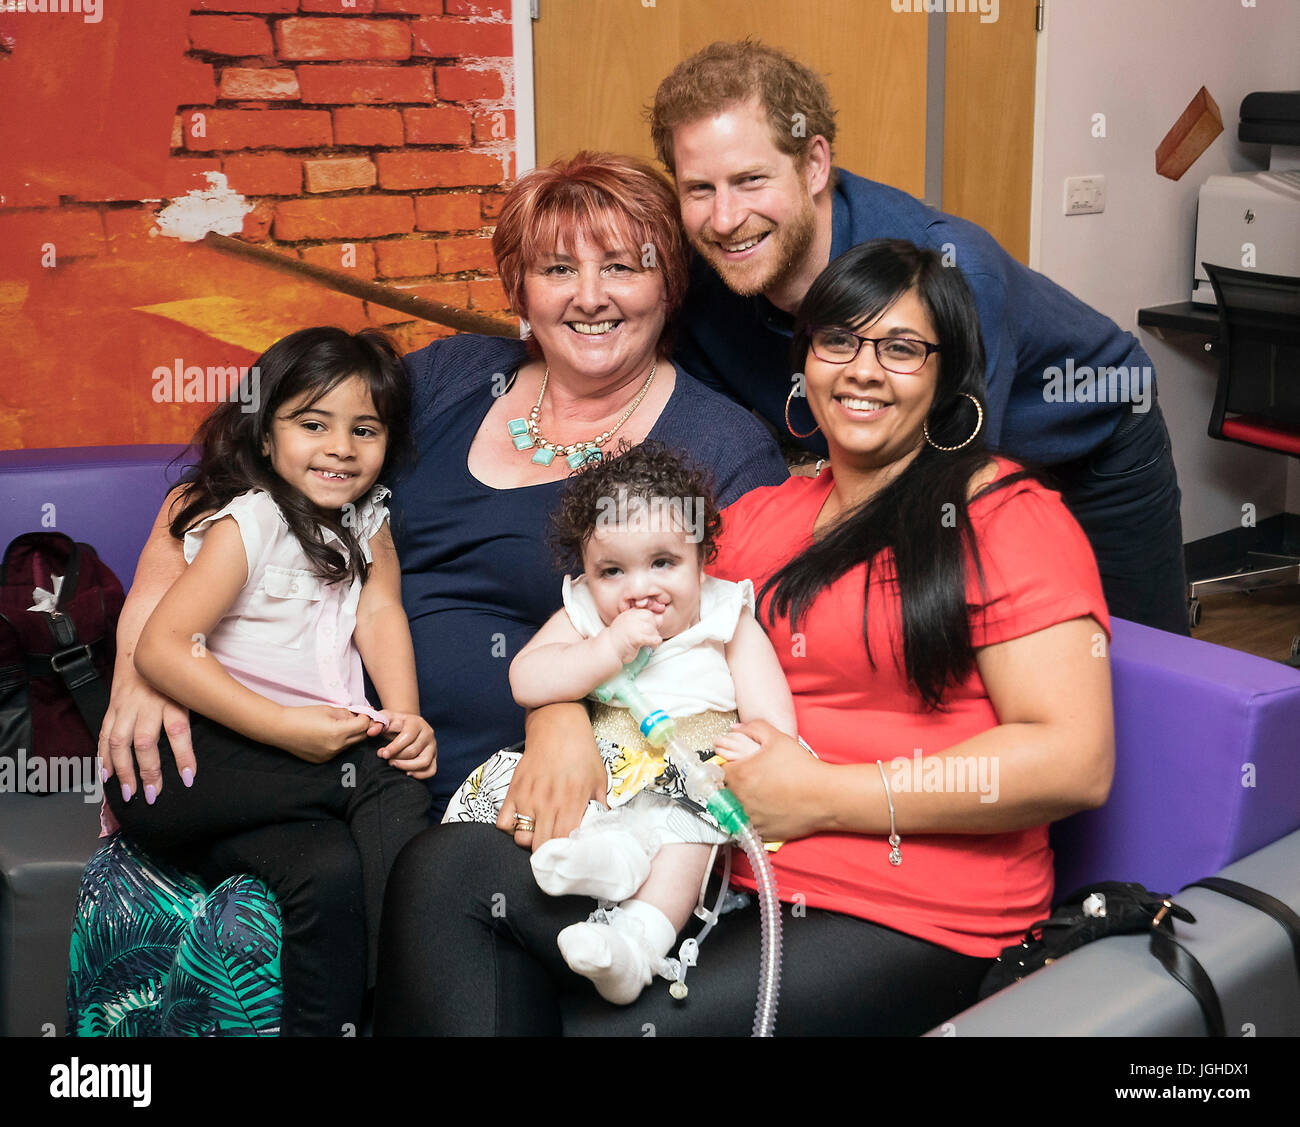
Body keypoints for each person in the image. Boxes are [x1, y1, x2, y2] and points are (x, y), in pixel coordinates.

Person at [94, 153, 788, 1021]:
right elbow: (226, 479)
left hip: (510, 794)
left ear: (670, 282)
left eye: (624, 266)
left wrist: (558, 710)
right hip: (325, 743)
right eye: (558, 269)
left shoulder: (720, 446)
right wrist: (139, 651)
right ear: (517, 288)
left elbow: (708, 651)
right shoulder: (455, 379)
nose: (591, 295)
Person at [373, 238, 1115, 1036]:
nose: (863, 369)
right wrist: (555, 717)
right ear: (807, 366)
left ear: (946, 376)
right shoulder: (762, 519)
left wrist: (823, 796)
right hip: (714, 873)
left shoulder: (1006, 517)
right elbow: (622, 618)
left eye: (901, 348)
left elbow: (1075, 761)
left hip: (904, 907)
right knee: (445, 870)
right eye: (839, 340)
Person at [651, 39, 1189, 636]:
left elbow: (944, 478)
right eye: (699, 189)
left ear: (813, 166)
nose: (724, 220)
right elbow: (709, 432)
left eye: (751, 180)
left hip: (1092, 445)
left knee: (1140, 666)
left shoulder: (946, 273)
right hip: (911, 471)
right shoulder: (703, 279)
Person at [104, 326, 436, 1036]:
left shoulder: (369, 521)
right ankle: (416, 1009)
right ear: (263, 436)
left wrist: (404, 713)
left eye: (364, 429)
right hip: (189, 765)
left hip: (275, 789)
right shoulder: (250, 521)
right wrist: (284, 726)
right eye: (313, 424)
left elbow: (380, 611)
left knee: (327, 870)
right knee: (386, 784)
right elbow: (162, 649)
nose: (341, 447)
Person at [442, 441, 797, 1004]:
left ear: (702, 556)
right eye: (612, 570)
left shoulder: (725, 613)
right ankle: (600, 862)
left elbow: (771, 717)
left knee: (688, 838)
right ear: (584, 572)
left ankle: (636, 946)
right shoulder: (586, 612)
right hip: (603, 767)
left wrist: (764, 746)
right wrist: (606, 649)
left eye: (663, 562)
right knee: (576, 805)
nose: (640, 588)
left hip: (695, 769)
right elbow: (527, 680)